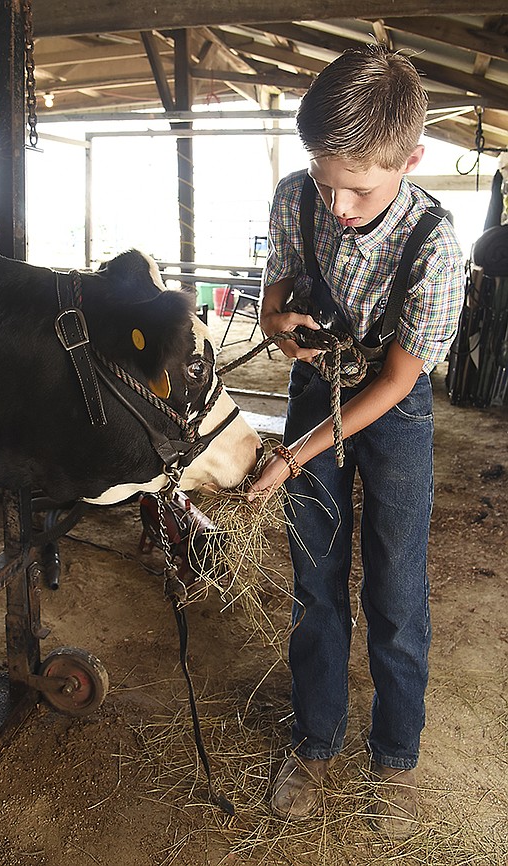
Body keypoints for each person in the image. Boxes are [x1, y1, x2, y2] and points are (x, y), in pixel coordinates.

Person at [249, 44, 464, 837]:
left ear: (410, 157)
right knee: (316, 579)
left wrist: (294, 453)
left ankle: (395, 759)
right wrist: (279, 325)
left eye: (359, 187)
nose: (336, 205)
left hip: (390, 406)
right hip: (319, 381)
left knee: (396, 592)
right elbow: (279, 280)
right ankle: (313, 743)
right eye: (323, 179)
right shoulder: (299, 195)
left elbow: (398, 383)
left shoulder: (437, 247)